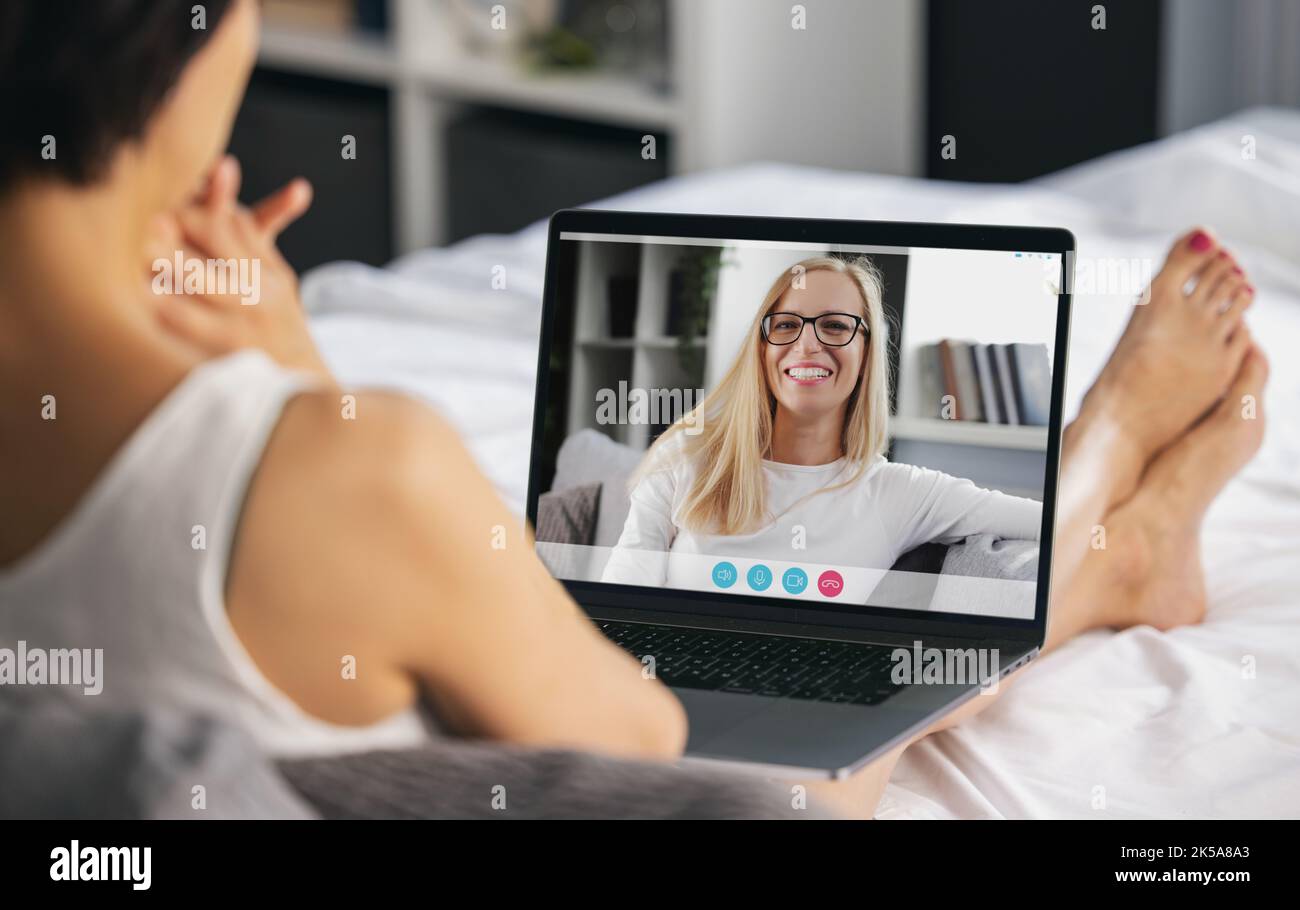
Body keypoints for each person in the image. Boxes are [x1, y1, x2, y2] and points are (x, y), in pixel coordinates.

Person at [0, 0, 1267, 816]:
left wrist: (283, 392)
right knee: (821, 751)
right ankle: (1101, 498)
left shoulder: (326, 480)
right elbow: (655, 752)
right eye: (788, 324)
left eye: (836, 328)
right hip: (619, 748)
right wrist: (299, 406)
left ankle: (1106, 541)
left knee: (907, 630)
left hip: (476, 634)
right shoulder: (359, 478)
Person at [602, 256, 1042, 593]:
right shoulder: (685, 457)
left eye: (834, 326)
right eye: (788, 324)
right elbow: (620, 606)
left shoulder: (901, 493)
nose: (807, 344)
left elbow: (1050, 521)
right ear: (762, 346)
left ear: (867, 351)